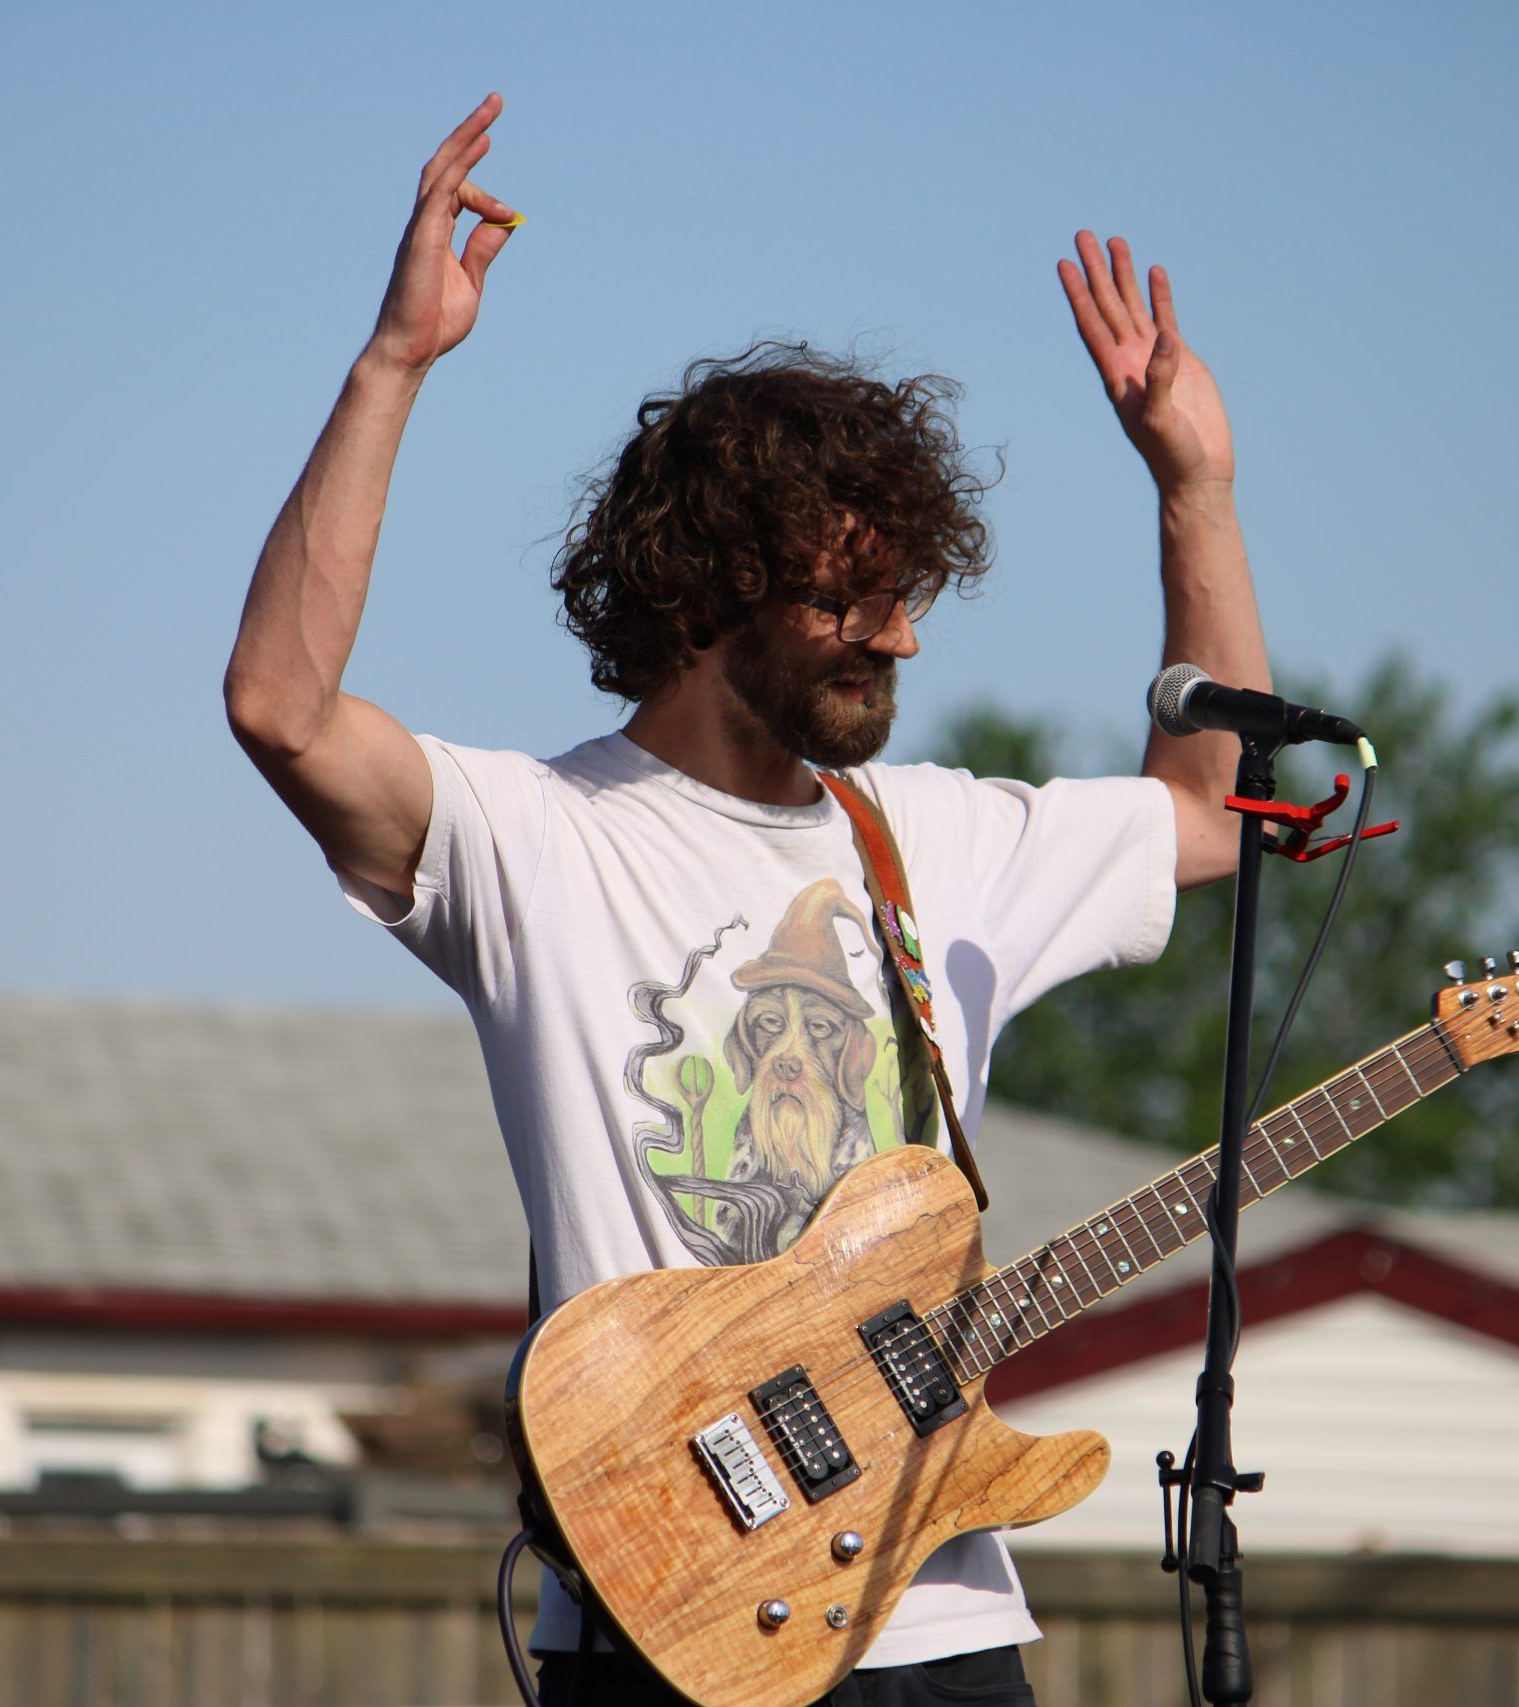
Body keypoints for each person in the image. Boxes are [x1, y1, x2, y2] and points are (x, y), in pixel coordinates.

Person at [225, 93, 1268, 1707]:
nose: (902, 640)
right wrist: (394, 366)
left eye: (910, 596)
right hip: (670, 1624)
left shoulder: (942, 841)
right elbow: (281, 706)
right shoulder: (537, 836)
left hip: (940, 1628)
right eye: (852, 596)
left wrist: (1191, 486)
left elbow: (1213, 812)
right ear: (715, 589)